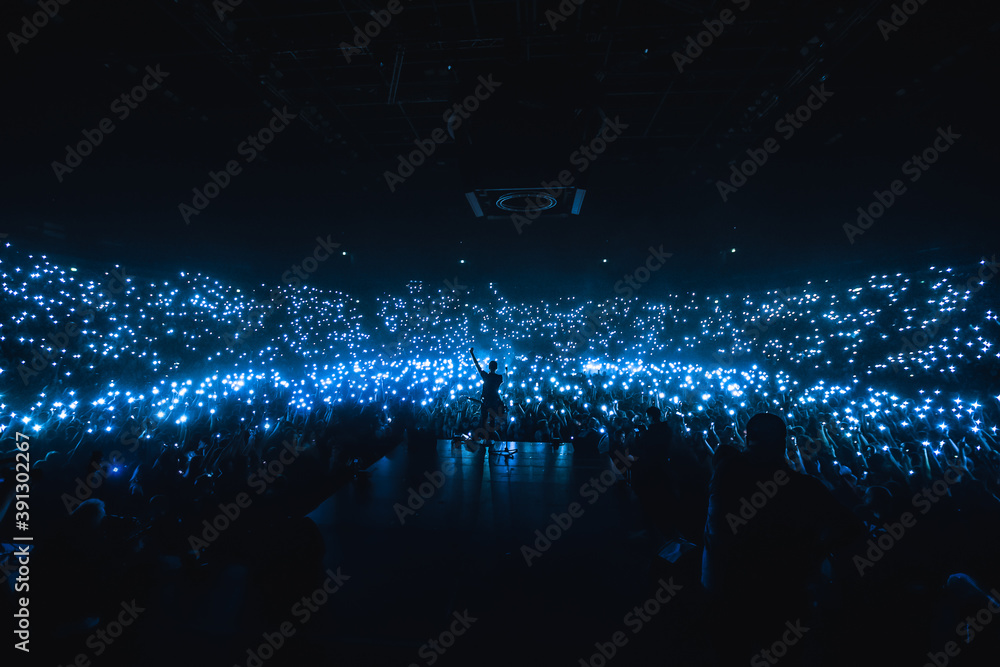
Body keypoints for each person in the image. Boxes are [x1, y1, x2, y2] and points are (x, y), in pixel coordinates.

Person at [702, 412, 865, 665]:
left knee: (730, 655)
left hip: (726, 588)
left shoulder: (726, 472)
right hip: (783, 594)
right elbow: (853, 529)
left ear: (748, 439)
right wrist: (815, 553)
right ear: (783, 442)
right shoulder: (804, 488)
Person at [469, 347, 504, 445]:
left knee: (483, 419)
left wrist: (472, 354)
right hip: (494, 401)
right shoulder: (499, 377)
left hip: (486, 401)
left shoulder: (486, 376)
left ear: (489, 367)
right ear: (496, 368)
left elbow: (477, 365)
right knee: (492, 420)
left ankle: (484, 439)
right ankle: (490, 440)